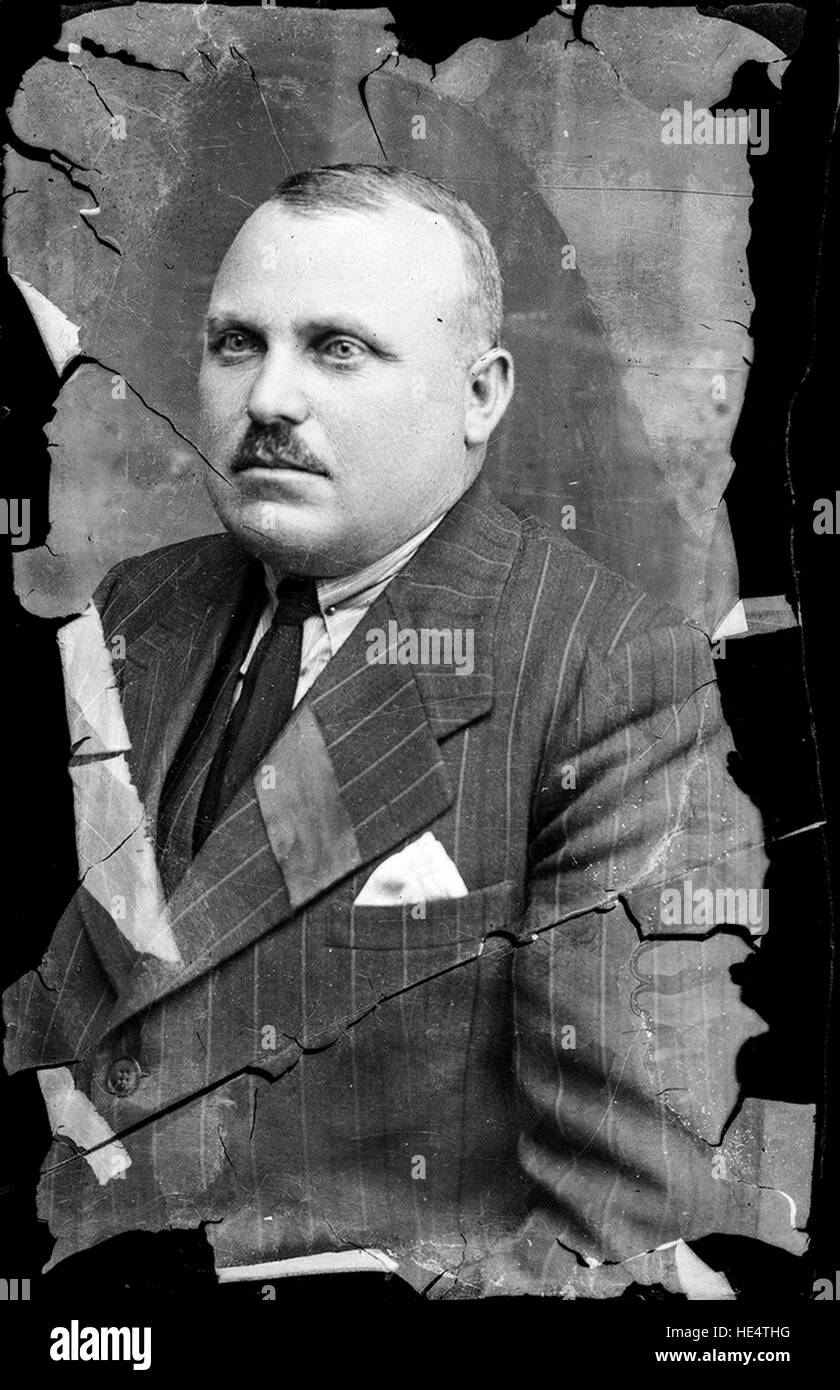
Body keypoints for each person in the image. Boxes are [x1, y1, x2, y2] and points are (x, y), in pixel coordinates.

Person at [4, 164, 787, 1299]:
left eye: (337, 349)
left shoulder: (604, 672)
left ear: (481, 395)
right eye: (237, 344)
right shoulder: (139, 606)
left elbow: (616, 1232)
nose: (269, 398)